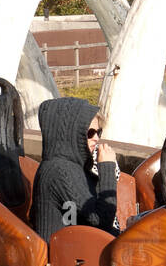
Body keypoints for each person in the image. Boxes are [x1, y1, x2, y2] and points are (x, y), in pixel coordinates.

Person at [30, 97, 118, 240]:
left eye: (98, 132)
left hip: (77, 250)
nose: (96, 138)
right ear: (71, 135)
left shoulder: (72, 167)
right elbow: (102, 222)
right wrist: (107, 168)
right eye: (90, 133)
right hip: (68, 259)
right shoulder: (60, 171)